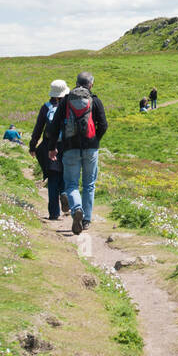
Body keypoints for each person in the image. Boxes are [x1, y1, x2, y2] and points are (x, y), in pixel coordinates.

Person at [46, 71, 108, 235]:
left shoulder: (66, 100)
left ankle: (76, 209)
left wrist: (52, 147)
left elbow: (54, 127)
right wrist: (95, 140)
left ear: (76, 83)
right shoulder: (95, 101)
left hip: (70, 148)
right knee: (89, 185)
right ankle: (86, 220)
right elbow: (103, 125)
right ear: (91, 84)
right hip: (91, 148)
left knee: (72, 184)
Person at [29, 80, 69, 220]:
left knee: (52, 178)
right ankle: (64, 194)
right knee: (65, 174)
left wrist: (33, 146)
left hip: (48, 145)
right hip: (66, 145)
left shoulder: (46, 107)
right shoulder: (69, 107)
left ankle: (54, 213)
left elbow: (38, 128)